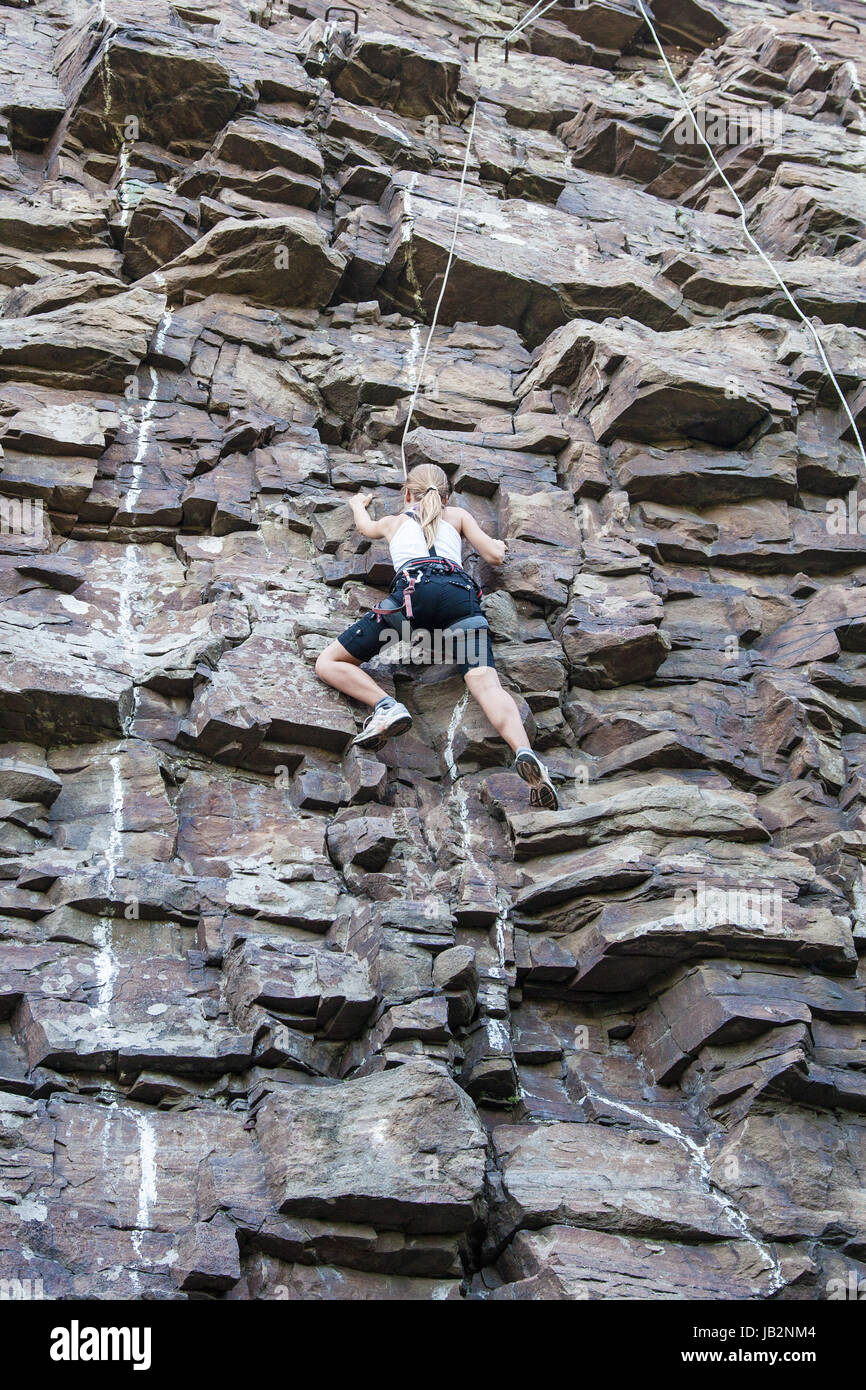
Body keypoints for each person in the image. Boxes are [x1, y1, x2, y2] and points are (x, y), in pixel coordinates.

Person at [314, 463, 559, 810]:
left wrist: (358, 503)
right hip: (459, 599)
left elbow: (364, 527)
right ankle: (525, 753)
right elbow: (494, 555)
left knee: (329, 662)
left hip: (411, 603)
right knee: (487, 684)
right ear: (445, 496)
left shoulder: (394, 522)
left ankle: (385, 707)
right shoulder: (457, 515)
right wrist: (500, 544)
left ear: (407, 494)